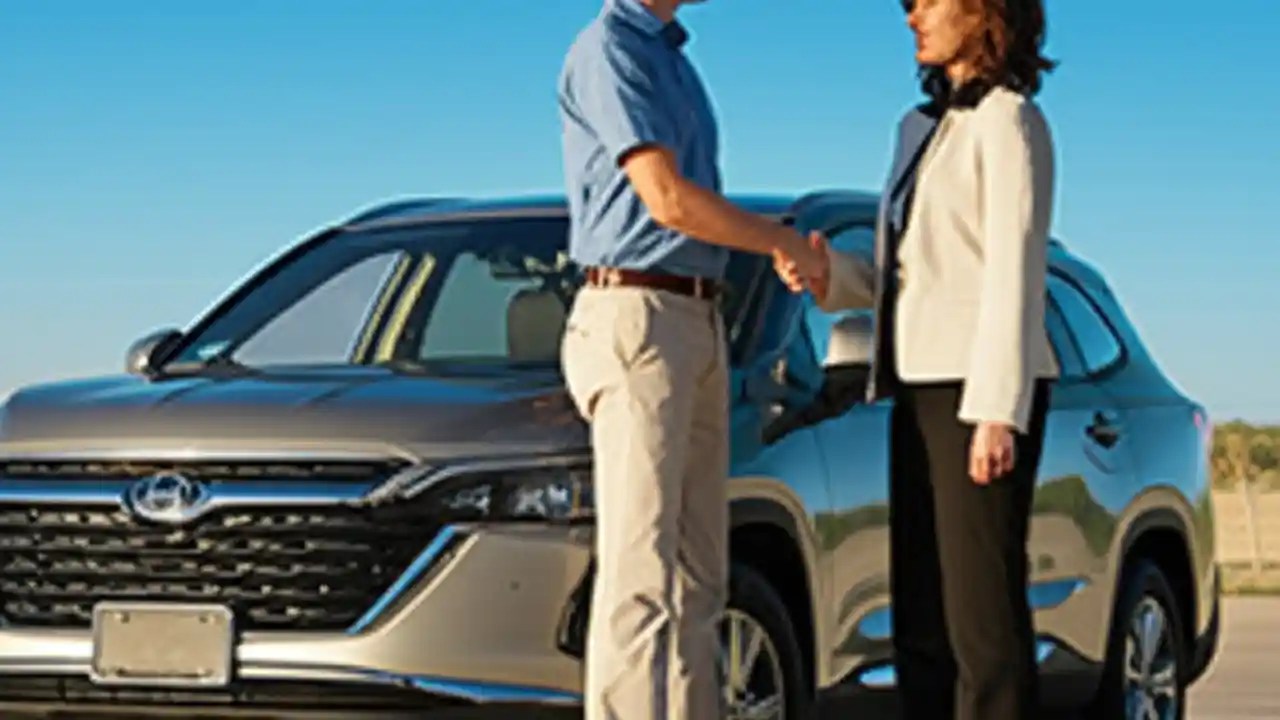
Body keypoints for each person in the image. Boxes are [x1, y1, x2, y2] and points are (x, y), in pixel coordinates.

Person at [775, 0, 1060, 718]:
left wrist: (997, 412)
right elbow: (911, 274)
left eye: (927, 2)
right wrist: (829, 276)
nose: (911, 17)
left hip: (979, 390)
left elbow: (1015, 274)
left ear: (983, 10)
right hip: (919, 384)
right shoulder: (919, 130)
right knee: (921, 619)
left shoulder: (1010, 121)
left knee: (980, 622)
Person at [555, 1, 826, 718]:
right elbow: (667, 200)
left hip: (697, 318)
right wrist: (778, 241)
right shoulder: (611, 49)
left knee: (701, 575)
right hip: (637, 317)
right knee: (640, 572)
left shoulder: (673, 59)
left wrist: (777, 246)